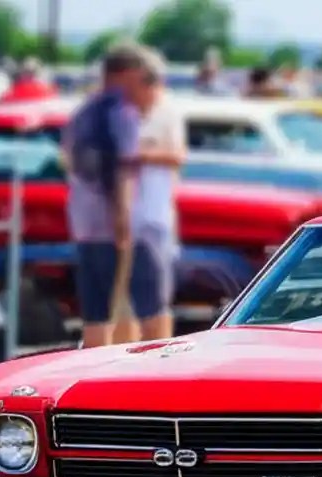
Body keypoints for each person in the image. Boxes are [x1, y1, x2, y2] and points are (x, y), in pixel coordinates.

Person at [63, 43, 153, 349]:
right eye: (138, 75)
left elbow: (70, 159)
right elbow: (124, 169)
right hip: (111, 221)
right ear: (125, 73)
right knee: (117, 304)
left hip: (84, 218)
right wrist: (123, 216)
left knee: (95, 307)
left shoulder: (84, 111)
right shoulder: (122, 112)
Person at [116, 48, 183, 344]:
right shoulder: (122, 113)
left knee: (157, 290)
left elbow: (177, 156)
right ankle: (123, 350)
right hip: (125, 215)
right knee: (121, 292)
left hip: (155, 215)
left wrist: (140, 153)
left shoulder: (168, 113)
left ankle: (157, 348)